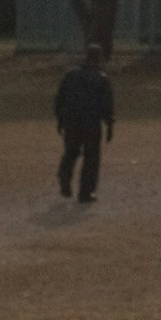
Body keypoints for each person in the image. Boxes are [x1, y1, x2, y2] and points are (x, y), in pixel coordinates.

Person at [53, 49, 116, 205]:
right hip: (91, 122)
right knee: (91, 156)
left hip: (71, 120)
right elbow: (106, 104)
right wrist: (109, 124)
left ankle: (65, 174)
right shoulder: (101, 79)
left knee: (71, 150)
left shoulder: (70, 75)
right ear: (99, 59)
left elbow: (60, 98)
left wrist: (60, 119)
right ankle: (86, 192)